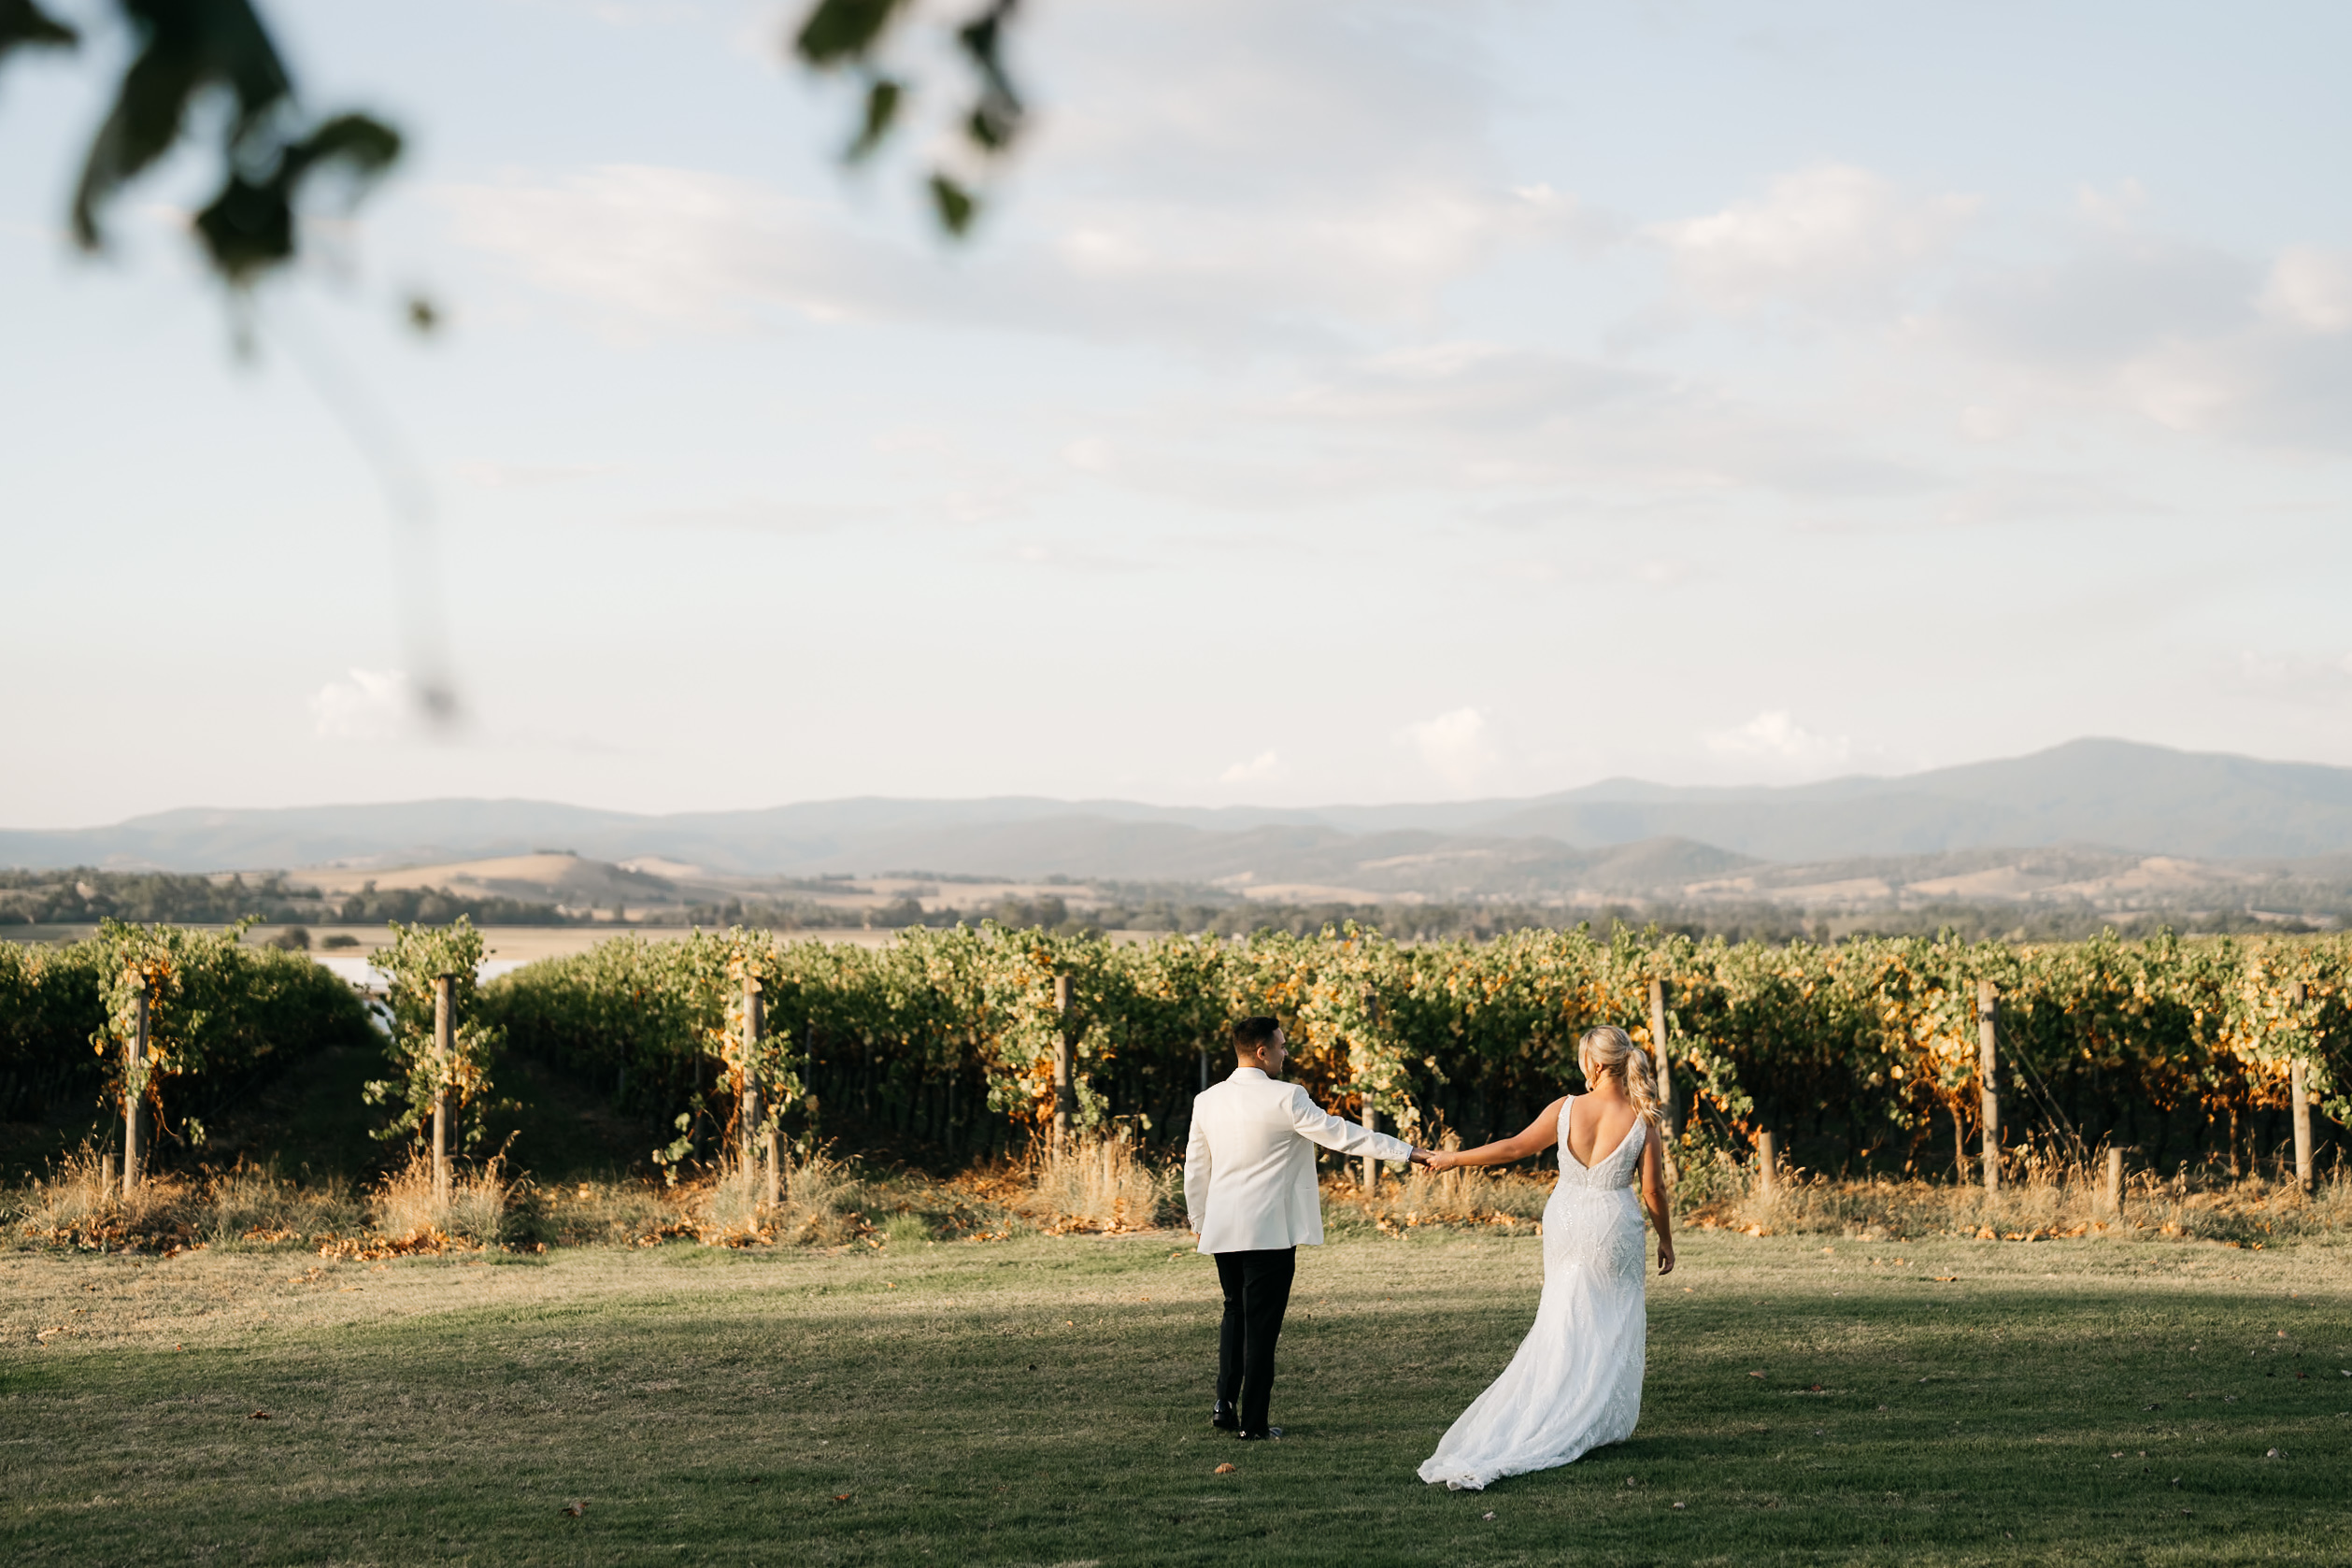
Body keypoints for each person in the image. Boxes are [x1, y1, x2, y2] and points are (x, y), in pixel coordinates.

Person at [1415, 1024, 1675, 1490]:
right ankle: (1586, 1414)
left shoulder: (1566, 1108)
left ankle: (1555, 1402)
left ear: (1594, 1064)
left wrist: (1453, 1159)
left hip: (1567, 1218)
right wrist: (1666, 1239)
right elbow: (1653, 1189)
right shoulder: (1642, 1116)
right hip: (1614, 1221)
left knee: (1562, 1313)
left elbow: (1514, 1148)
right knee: (1610, 1320)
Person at [1184, 1016, 1433, 1441]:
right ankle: (1255, 1425)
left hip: (1223, 1227)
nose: (1286, 1053)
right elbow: (1344, 1136)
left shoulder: (1207, 1099)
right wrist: (1407, 1152)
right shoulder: (1287, 1097)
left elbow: (1196, 1166)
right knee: (1261, 1327)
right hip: (1269, 1231)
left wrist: (1198, 1220)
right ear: (1261, 1052)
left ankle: (1224, 1404)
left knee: (1235, 1311)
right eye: (1281, 1046)